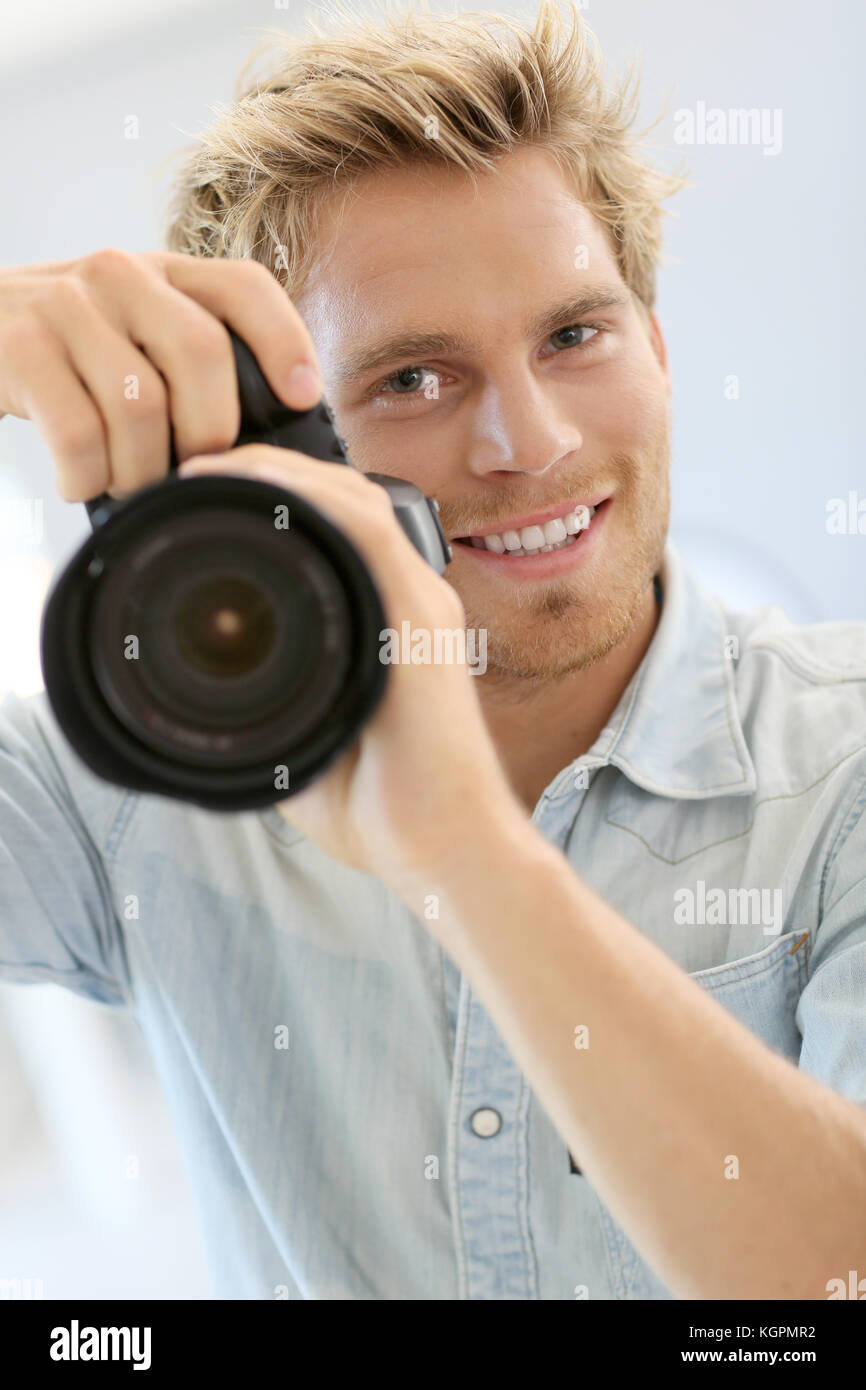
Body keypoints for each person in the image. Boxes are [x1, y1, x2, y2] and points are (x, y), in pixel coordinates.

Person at [1, 0, 865, 1301]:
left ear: (662, 351)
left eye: (575, 336)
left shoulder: (842, 767)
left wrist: (466, 850)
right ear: (269, 454)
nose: (528, 441)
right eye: (412, 378)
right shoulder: (144, 777)